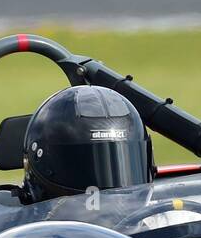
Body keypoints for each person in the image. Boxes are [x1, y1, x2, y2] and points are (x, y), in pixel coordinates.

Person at [23, 85, 153, 203]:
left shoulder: (163, 219)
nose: (107, 195)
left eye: (127, 163)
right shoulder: (21, 226)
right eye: (83, 168)